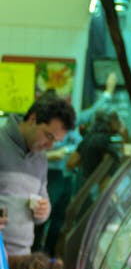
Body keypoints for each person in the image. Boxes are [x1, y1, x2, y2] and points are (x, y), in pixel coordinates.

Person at [0, 95, 76, 256]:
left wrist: (44, 210)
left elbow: (43, 199)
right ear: (33, 119)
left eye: (56, 141)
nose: (50, 146)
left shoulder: (40, 159)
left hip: (22, 254)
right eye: (48, 136)